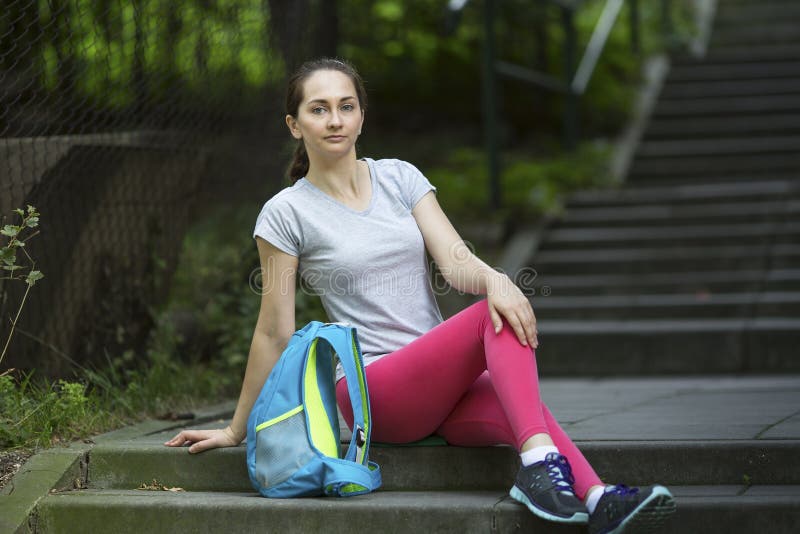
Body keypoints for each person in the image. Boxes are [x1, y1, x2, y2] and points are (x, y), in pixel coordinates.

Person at [165, 58, 676, 534]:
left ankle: (597, 499)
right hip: (371, 388)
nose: (335, 119)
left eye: (346, 106)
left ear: (362, 117)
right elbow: (275, 329)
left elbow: (456, 262)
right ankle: (541, 470)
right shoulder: (285, 213)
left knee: (523, 404)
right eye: (318, 109)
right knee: (487, 319)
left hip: (435, 383)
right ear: (295, 125)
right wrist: (236, 429)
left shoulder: (400, 178)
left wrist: (497, 278)